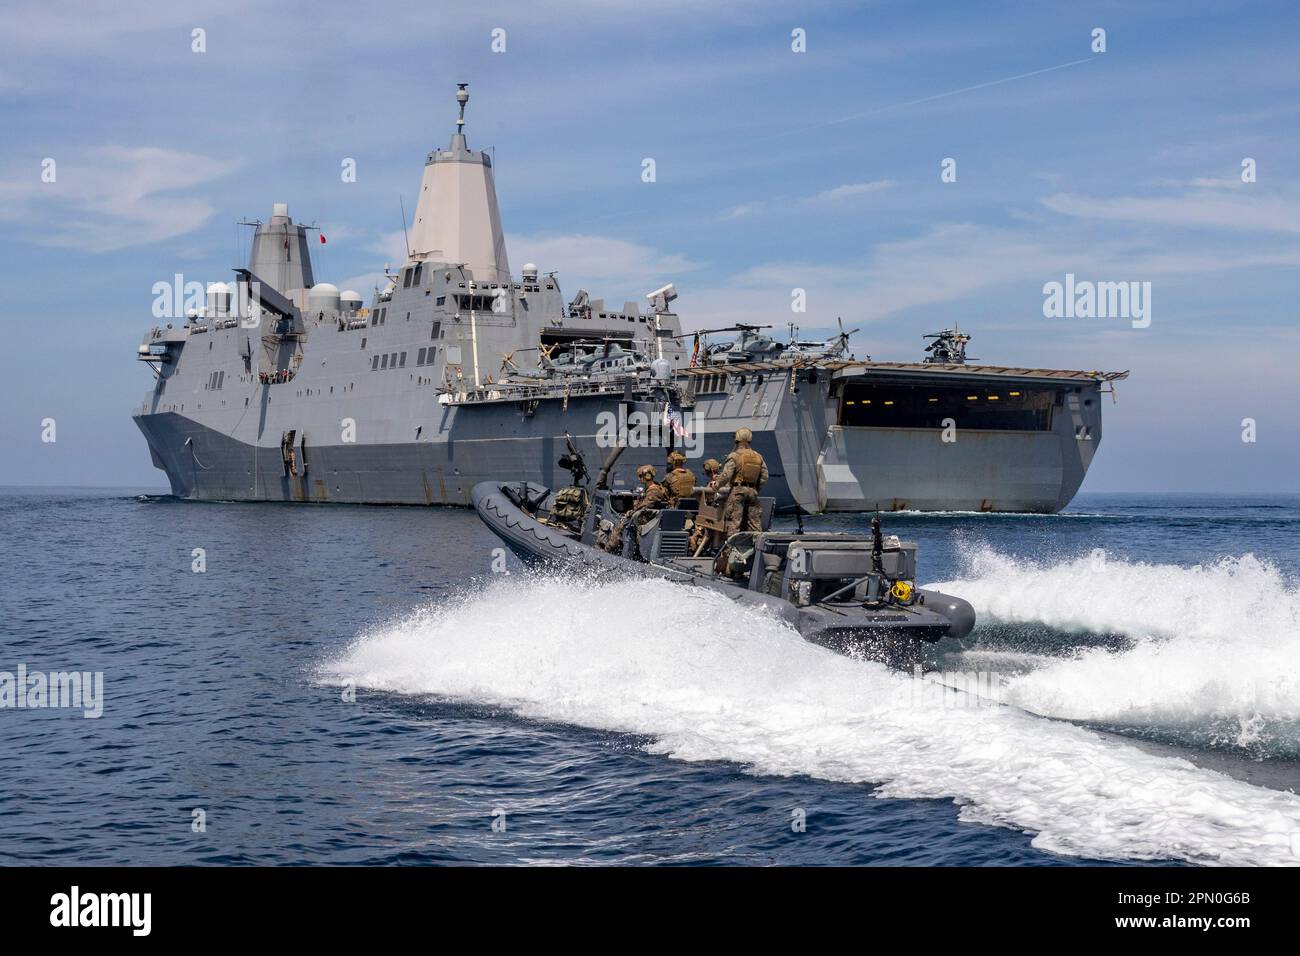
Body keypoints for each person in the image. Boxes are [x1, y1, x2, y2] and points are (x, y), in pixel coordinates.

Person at [600, 465, 669, 553]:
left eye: (641, 476)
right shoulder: (656, 488)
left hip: (648, 518)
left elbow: (645, 506)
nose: (640, 479)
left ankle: (608, 550)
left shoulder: (654, 491)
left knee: (621, 524)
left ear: (647, 476)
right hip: (651, 517)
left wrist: (630, 512)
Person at [711, 428, 768, 535]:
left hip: (737, 491)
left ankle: (732, 550)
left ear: (737, 440)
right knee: (754, 523)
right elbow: (764, 477)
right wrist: (754, 489)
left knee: (734, 523)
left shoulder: (734, 456)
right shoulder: (758, 457)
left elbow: (726, 475)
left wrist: (716, 484)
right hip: (753, 493)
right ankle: (756, 548)